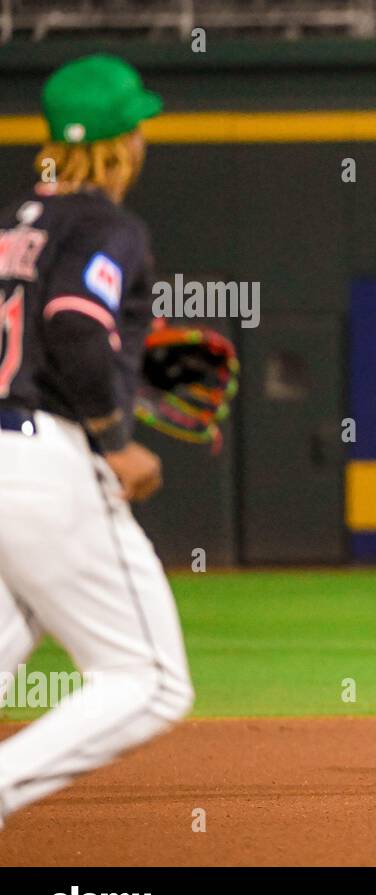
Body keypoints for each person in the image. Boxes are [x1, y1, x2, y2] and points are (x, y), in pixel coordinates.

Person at [0, 54, 193, 827]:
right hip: (47, 461)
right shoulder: (107, 224)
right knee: (149, 680)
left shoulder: (20, 227)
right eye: (138, 125)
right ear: (123, 141)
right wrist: (117, 439)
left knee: (18, 624)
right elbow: (76, 325)